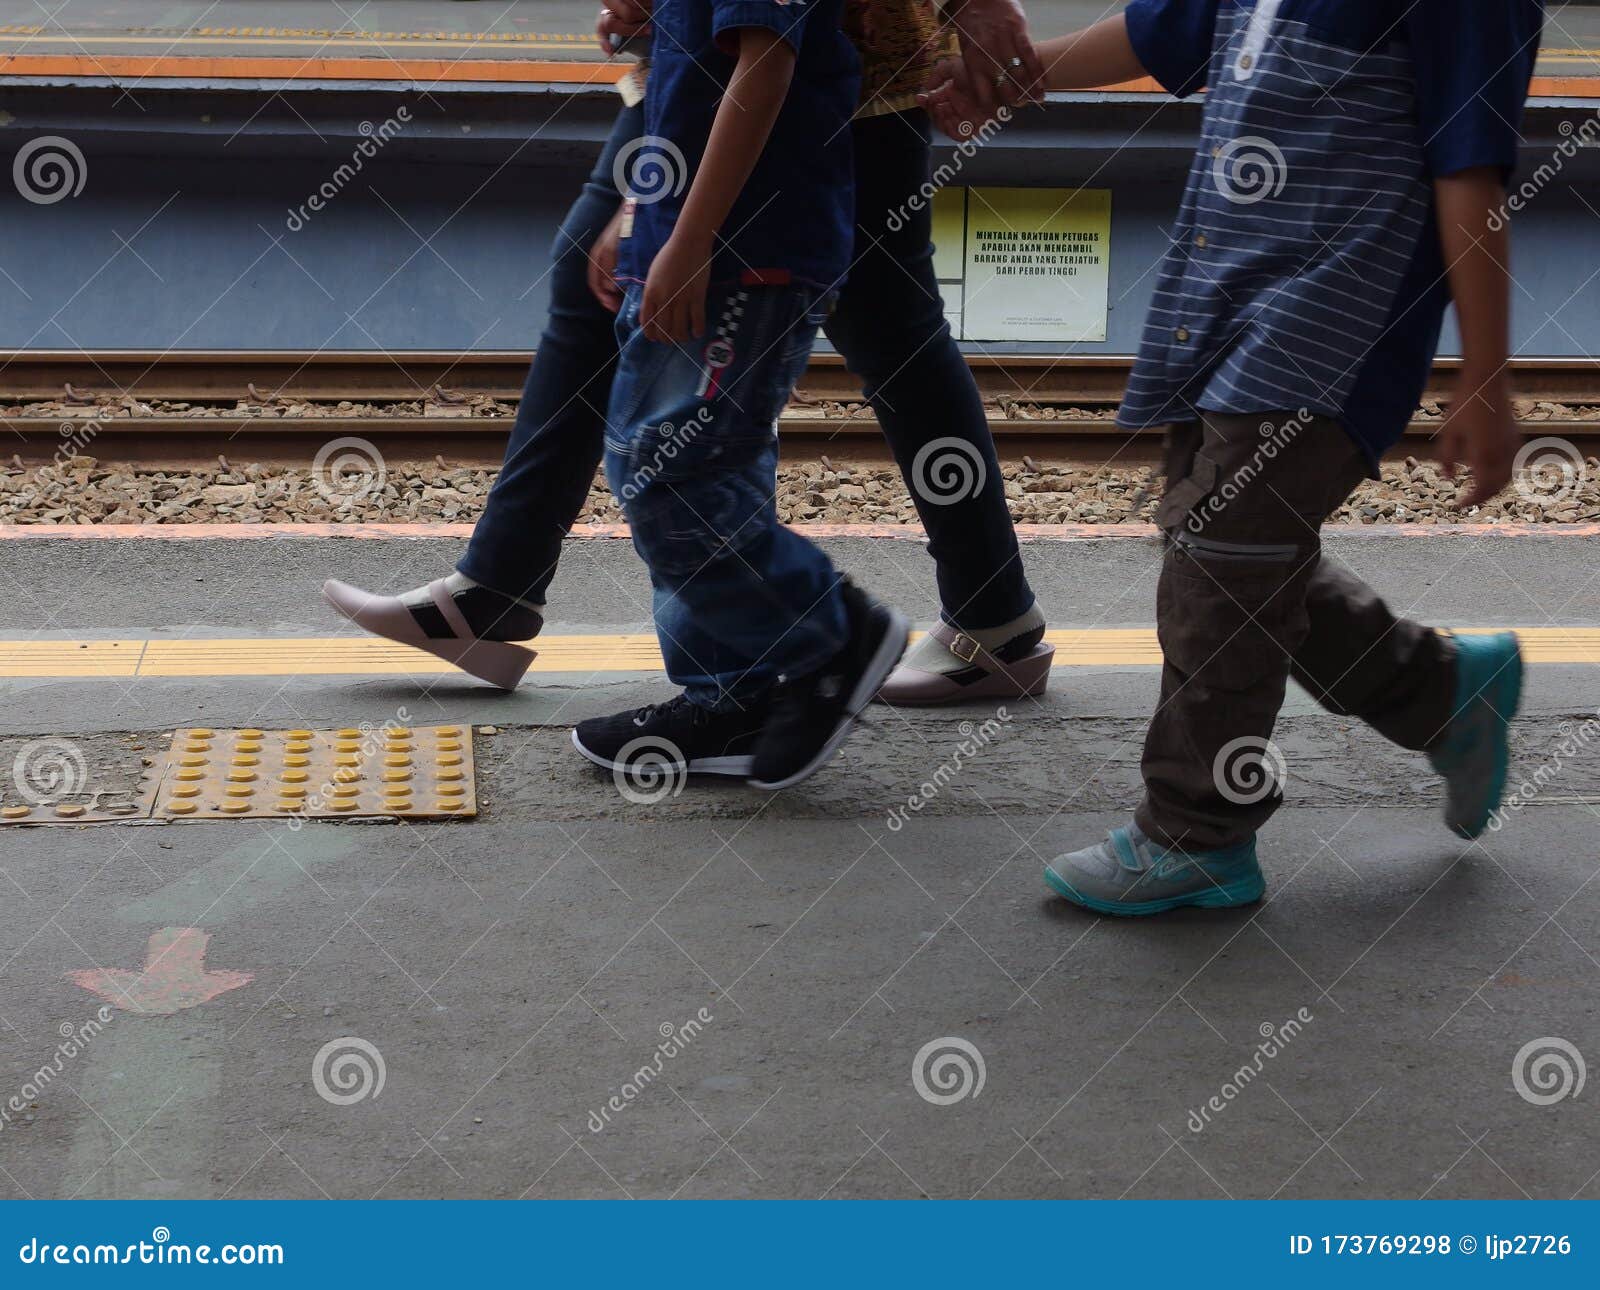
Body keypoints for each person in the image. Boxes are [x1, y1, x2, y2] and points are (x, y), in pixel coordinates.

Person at [926, 0, 1544, 913]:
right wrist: (1015, 76)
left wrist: (1487, 378)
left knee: (1223, 570)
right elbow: (1159, 32)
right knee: (1233, 558)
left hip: (1334, 321)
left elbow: (1471, 171)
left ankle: (1196, 833)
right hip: (1220, 298)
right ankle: (1441, 692)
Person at [322, 0, 1056, 710]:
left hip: (814, 76)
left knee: (858, 336)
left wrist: (679, 227)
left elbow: (768, 57)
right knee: (871, 333)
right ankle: (937, 628)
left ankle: (790, 659)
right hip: (730, 65)